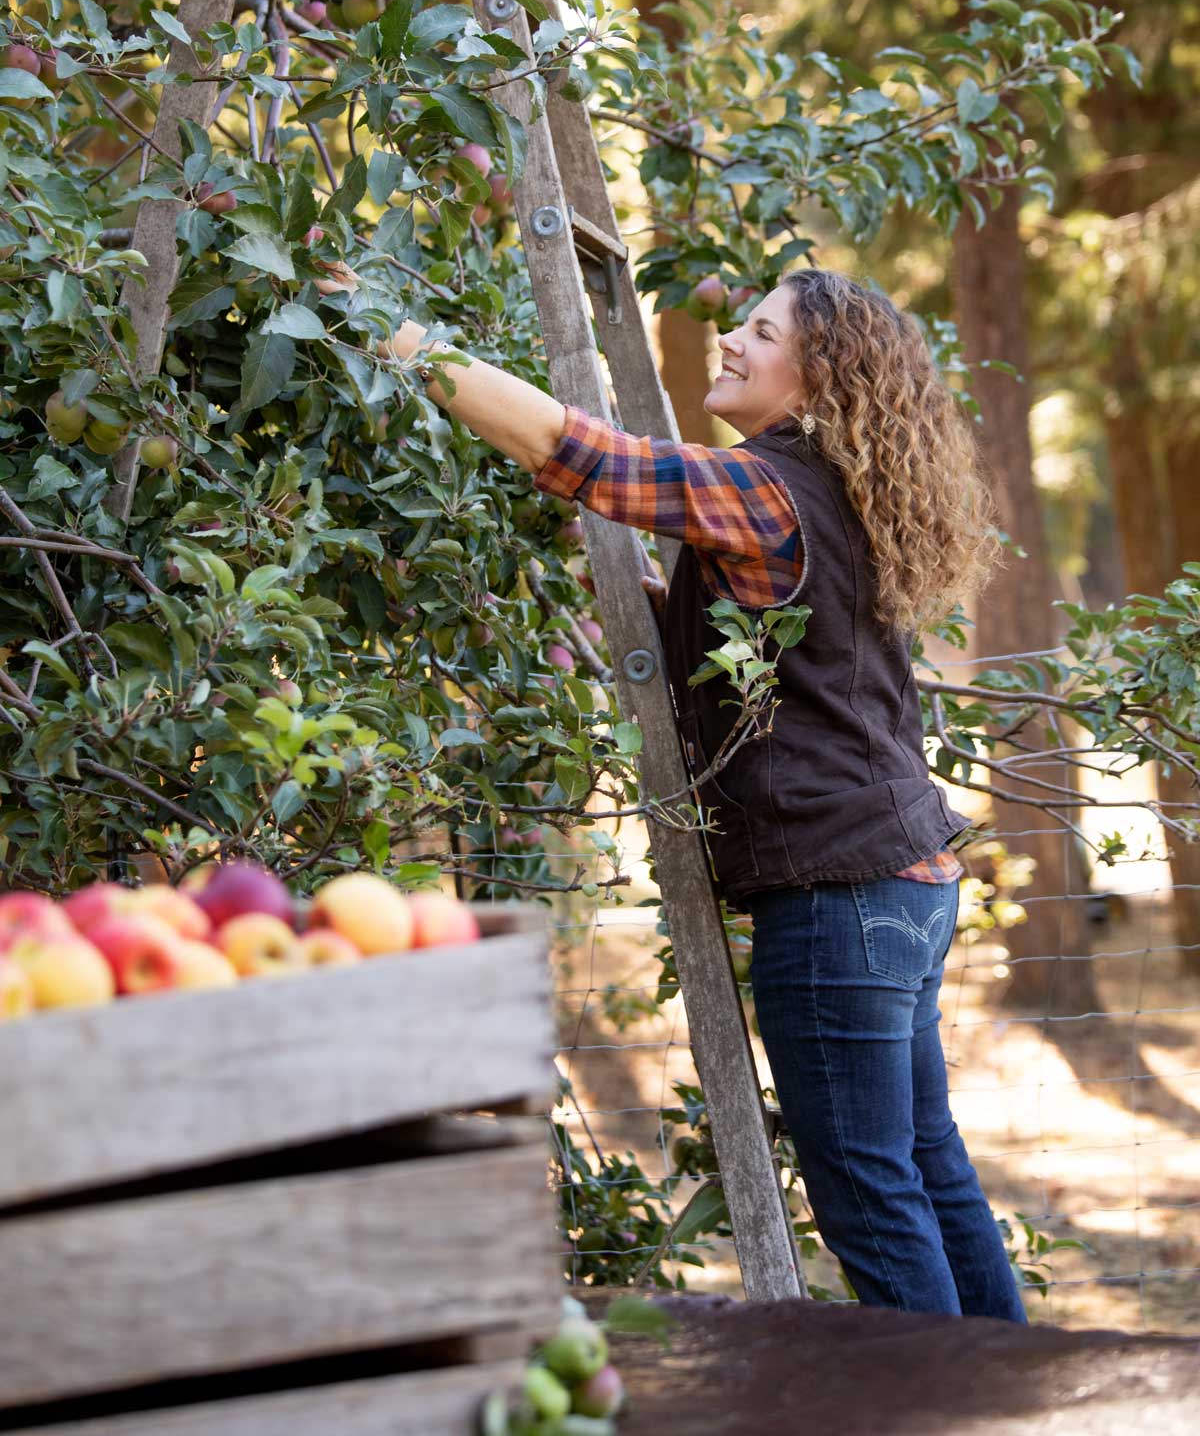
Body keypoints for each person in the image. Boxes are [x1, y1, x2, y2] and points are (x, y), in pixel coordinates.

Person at [328, 258, 1025, 1321]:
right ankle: (1009, 1398)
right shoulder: (835, 492)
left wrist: (399, 336)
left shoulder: (763, 487)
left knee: (874, 1198)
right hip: (905, 882)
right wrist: (649, 605)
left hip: (842, 898)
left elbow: (570, 448)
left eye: (762, 331)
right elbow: (793, 660)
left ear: (821, 374)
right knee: (927, 1169)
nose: (733, 343)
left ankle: (925, 1409)